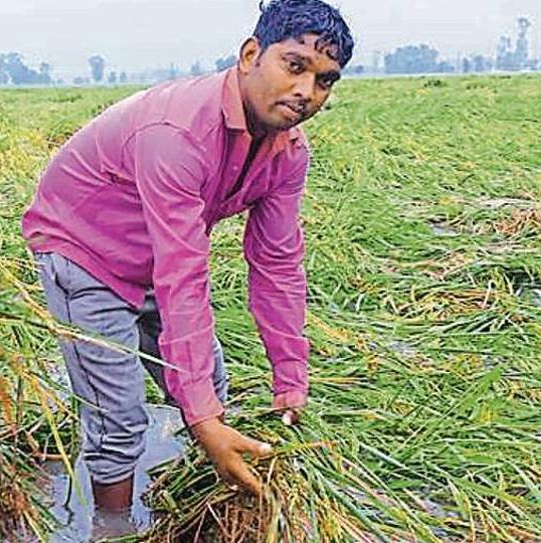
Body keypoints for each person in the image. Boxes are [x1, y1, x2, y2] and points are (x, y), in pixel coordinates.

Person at [22, 0, 353, 514]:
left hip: (155, 253)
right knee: (118, 418)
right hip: (83, 250)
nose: (306, 92)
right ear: (250, 55)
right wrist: (202, 421)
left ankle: (205, 509)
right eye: (294, 66)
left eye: (325, 79)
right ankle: (112, 526)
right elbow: (183, 273)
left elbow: (278, 265)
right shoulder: (177, 134)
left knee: (211, 390)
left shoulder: (289, 151)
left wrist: (290, 378)